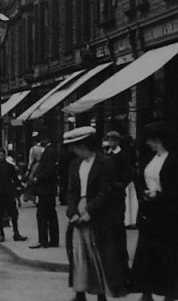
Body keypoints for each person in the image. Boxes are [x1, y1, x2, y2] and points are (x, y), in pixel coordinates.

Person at [128, 122, 178, 301]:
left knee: (169, 258)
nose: (148, 144)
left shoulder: (175, 162)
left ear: (158, 139)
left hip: (168, 217)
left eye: (150, 140)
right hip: (150, 215)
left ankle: (170, 294)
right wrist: (145, 193)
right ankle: (147, 292)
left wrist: (158, 194)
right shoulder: (151, 159)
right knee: (147, 256)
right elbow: (141, 179)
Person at [64, 126, 127, 301]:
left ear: (84, 145)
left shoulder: (105, 162)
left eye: (75, 147)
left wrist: (89, 211)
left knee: (98, 253)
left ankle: (101, 293)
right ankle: (80, 292)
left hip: (99, 213)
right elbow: (70, 191)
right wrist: (72, 212)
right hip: (79, 208)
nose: (74, 151)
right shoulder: (75, 164)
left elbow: (105, 191)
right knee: (78, 253)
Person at [104, 130, 133, 263]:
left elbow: (127, 175)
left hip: (117, 193)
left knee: (118, 224)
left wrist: (118, 185)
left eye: (114, 140)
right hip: (108, 194)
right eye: (110, 140)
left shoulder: (123, 155)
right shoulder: (107, 154)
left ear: (118, 141)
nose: (111, 142)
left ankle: (122, 253)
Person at [29, 133, 60, 249]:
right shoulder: (52, 150)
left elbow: (49, 170)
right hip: (49, 189)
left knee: (42, 215)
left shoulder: (49, 152)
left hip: (45, 189)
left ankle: (43, 240)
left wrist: (38, 178)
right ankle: (53, 240)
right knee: (51, 214)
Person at [0, 150, 27, 242]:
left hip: (8, 193)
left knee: (14, 214)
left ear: (4, 156)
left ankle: (16, 232)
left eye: (1, 155)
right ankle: (1, 233)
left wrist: (17, 188)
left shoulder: (9, 166)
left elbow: (15, 179)